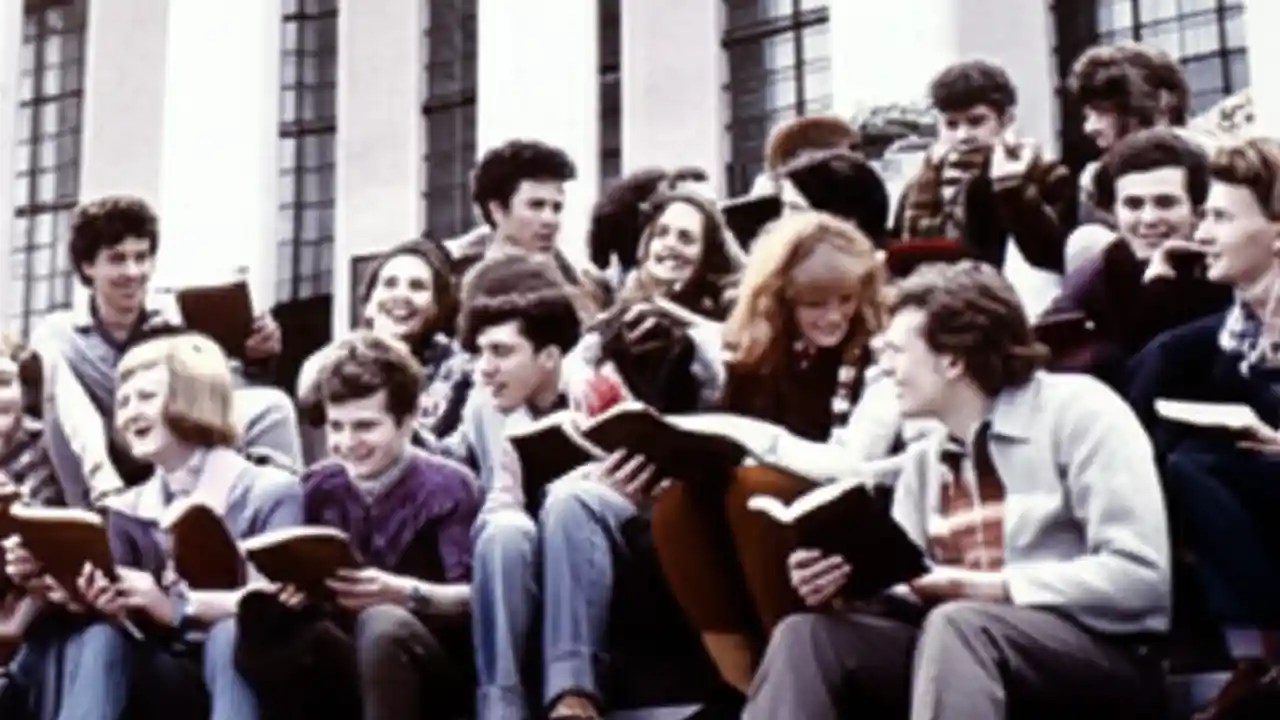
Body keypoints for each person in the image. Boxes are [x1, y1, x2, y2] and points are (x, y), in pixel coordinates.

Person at [745, 260, 1171, 720]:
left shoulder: (1080, 411)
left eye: (897, 352)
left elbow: (1141, 579)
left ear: (952, 360)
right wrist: (846, 584)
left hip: (1099, 656)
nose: (884, 369)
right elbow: (913, 590)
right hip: (963, 654)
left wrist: (983, 587)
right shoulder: (926, 458)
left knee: (960, 622)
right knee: (807, 637)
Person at [650, 212, 903, 694]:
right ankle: (744, 681)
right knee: (677, 504)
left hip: (851, 503)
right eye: (815, 304)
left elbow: (853, 459)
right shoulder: (752, 352)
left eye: (846, 300)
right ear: (782, 300)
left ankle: (790, 671)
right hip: (752, 505)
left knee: (757, 489)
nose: (833, 317)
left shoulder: (878, 351)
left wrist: (760, 445)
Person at [4, 333, 302, 720]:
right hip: (170, 679)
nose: (129, 414)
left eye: (145, 397)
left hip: (257, 675)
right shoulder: (127, 508)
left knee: (229, 632)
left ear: (193, 397)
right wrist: (101, 600)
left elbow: (276, 603)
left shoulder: (270, 490)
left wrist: (175, 607)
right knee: (102, 636)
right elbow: (135, 625)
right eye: (123, 402)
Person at [239, 331, 480, 720]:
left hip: (423, 663)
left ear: (407, 421)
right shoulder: (318, 485)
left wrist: (405, 593)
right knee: (264, 619)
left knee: (381, 622)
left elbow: (474, 598)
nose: (348, 442)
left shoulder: (451, 486)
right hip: (343, 659)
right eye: (336, 427)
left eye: (365, 426)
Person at [1125, 137, 1280, 719]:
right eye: (1205, 216)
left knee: (1195, 464)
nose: (1202, 233)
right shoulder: (1213, 333)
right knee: (1177, 448)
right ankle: (1251, 655)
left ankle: (1261, 650)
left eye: (1221, 218)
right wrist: (1162, 293)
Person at [32, 195, 302, 508]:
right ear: (88, 266)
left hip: (181, 442)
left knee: (272, 406)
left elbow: (222, 395)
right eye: (117, 259)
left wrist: (256, 358)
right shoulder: (61, 334)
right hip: (112, 454)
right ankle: (93, 512)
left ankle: (279, 511)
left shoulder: (176, 316)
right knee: (53, 371)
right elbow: (64, 413)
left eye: (142, 257)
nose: (133, 272)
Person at [1039, 128, 1231, 384]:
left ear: (1197, 211)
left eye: (1165, 203)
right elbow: (1049, 345)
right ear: (1114, 213)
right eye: (1133, 205)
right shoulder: (1105, 270)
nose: (1148, 219)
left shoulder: (1225, 271)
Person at [893, 60, 1073, 291]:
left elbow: (1056, 254)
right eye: (951, 125)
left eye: (976, 121)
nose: (963, 135)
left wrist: (1012, 190)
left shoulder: (1045, 176)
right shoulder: (920, 186)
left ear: (1006, 120)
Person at [297, 240, 473, 459]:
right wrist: (377, 349)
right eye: (389, 284)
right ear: (369, 302)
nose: (401, 295)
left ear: (437, 305)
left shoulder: (459, 368)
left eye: (417, 286)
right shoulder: (337, 358)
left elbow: (459, 455)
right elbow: (308, 401)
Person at [449, 139, 607, 312]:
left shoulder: (585, 283)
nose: (550, 220)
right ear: (497, 210)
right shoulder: (453, 286)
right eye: (536, 206)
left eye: (556, 208)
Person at [1066, 41, 1190, 244]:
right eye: (1087, 115)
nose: (1090, 128)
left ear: (1161, 104)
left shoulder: (1212, 166)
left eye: (1102, 112)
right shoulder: (1095, 180)